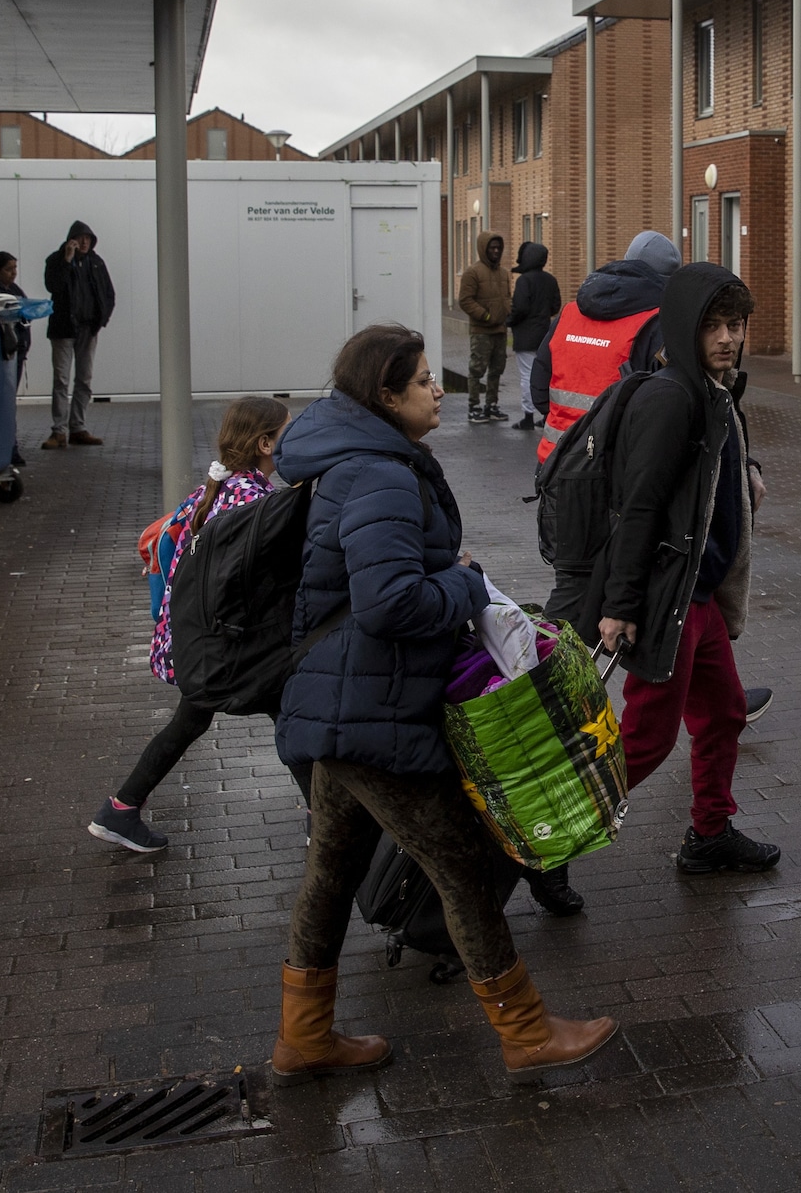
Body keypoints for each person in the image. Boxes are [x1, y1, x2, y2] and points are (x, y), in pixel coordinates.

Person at [271, 324, 617, 1077]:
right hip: (373, 711)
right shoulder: (382, 475)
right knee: (460, 864)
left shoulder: (357, 460)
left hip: (344, 701)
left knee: (332, 869)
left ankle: (304, 1035)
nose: (438, 390)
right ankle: (525, 1031)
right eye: (424, 380)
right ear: (386, 396)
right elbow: (389, 603)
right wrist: (463, 581)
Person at [556, 262, 776, 889]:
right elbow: (638, 508)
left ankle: (711, 834)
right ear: (684, 327)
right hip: (665, 599)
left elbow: (709, 468)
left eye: (735, 324)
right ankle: (549, 843)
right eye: (713, 326)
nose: (728, 338)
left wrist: (748, 470)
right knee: (646, 741)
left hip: (697, 597)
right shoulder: (671, 398)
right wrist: (621, 605)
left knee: (725, 713)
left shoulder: (713, 391)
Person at [89, 396, 291, 853]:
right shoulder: (255, 501)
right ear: (265, 444)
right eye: (287, 433)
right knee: (289, 714)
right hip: (228, 645)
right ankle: (324, 827)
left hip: (201, 639)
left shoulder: (220, 488)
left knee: (195, 721)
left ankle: (120, 810)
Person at [532, 229, 680, 463]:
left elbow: (539, 391)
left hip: (554, 460)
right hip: (610, 466)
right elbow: (662, 407)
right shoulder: (657, 323)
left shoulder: (570, 313)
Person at [42, 220, 116, 449]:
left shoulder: (96, 263)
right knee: (61, 380)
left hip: (88, 329)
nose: (84, 242)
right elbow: (53, 286)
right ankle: (58, 431)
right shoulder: (56, 260)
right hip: (63, 328)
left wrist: (101, 320)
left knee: (84, 379)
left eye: (88, 238)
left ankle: (78, 427)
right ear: (71, 240)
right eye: (80, 238)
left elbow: (108, 293)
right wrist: (66, 260)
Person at [0, 252, 32, 475]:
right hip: (4, 354)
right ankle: (8, 448)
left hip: (15, 351)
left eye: (15, 269)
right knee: (4, 402)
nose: (13, 273)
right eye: (9, 269)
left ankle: (10, 447)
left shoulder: (13, 289)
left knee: (8, 402)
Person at [503, 242, 562, 430]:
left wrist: (509, 321)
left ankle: (528, 416)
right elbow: (555, 306)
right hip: (545, 333)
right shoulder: (550, 280)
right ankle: (547, 415)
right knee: (547, 375)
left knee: (527, 375)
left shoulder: (524, 281)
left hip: (525, 335)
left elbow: (520, 307)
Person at [457, 233, 513, 424]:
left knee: (497, 369)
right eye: (492, 248)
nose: (496, 251)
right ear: (483, 249)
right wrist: (485, 315)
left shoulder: (504, 273)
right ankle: (474, 407)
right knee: (476, 370)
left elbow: (507, 298)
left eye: (498, 247)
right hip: (481, 331)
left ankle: (491, 405)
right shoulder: (473, 272)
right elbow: (465, 300)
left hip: (500, 331)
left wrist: (507, 313)